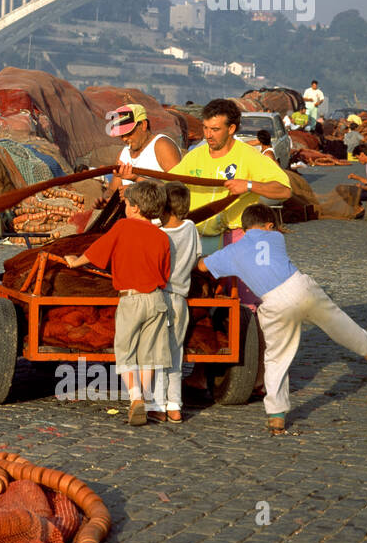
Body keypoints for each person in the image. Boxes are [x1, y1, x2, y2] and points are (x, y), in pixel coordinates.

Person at [198, 203, 367, 434]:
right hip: (300, 287)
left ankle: (276, 414)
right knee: (336, 321)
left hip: (273, 303)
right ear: (270, 226)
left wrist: (201, 258)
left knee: (276, 358)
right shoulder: (277, 239)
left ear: (244, 230)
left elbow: (203, 266)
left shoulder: (234, 251)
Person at [63, 178, 171, 427]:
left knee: (125, 350)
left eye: (127, 203)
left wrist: (74, 261)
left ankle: (135, 398)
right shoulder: (162, 237)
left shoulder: (122, 227)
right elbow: (165, 274)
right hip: (156, 299)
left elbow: (96, 251)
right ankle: (144, 396)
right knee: (150, 353)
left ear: (134, 207)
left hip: (130, 299)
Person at [171, 98, 291, 257]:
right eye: (205, 128)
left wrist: (249, 185)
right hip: (197, 239)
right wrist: (136, 179)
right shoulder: (194, 156)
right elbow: (168, 182)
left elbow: (285, 191)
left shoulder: (248, 156)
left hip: (235, 240)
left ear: (231, 128)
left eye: (215, 129)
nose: (208, 135)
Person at [150, 180, 199, 424]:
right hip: (181, 297)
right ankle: (175, 405)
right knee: (175, 352)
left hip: (159, 296)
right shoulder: (191, 228)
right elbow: (197, 257)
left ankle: (158, 403)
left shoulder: (156, 233)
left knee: (157, 353)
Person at [106, 103, 181, 196]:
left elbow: (178, 189)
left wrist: (137, 181)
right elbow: (112, 191)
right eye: (121, 135)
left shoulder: (161, 145)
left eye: (128, 133)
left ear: (143, 125)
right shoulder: (123, 154)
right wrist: (106, 200)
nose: (124, 138)